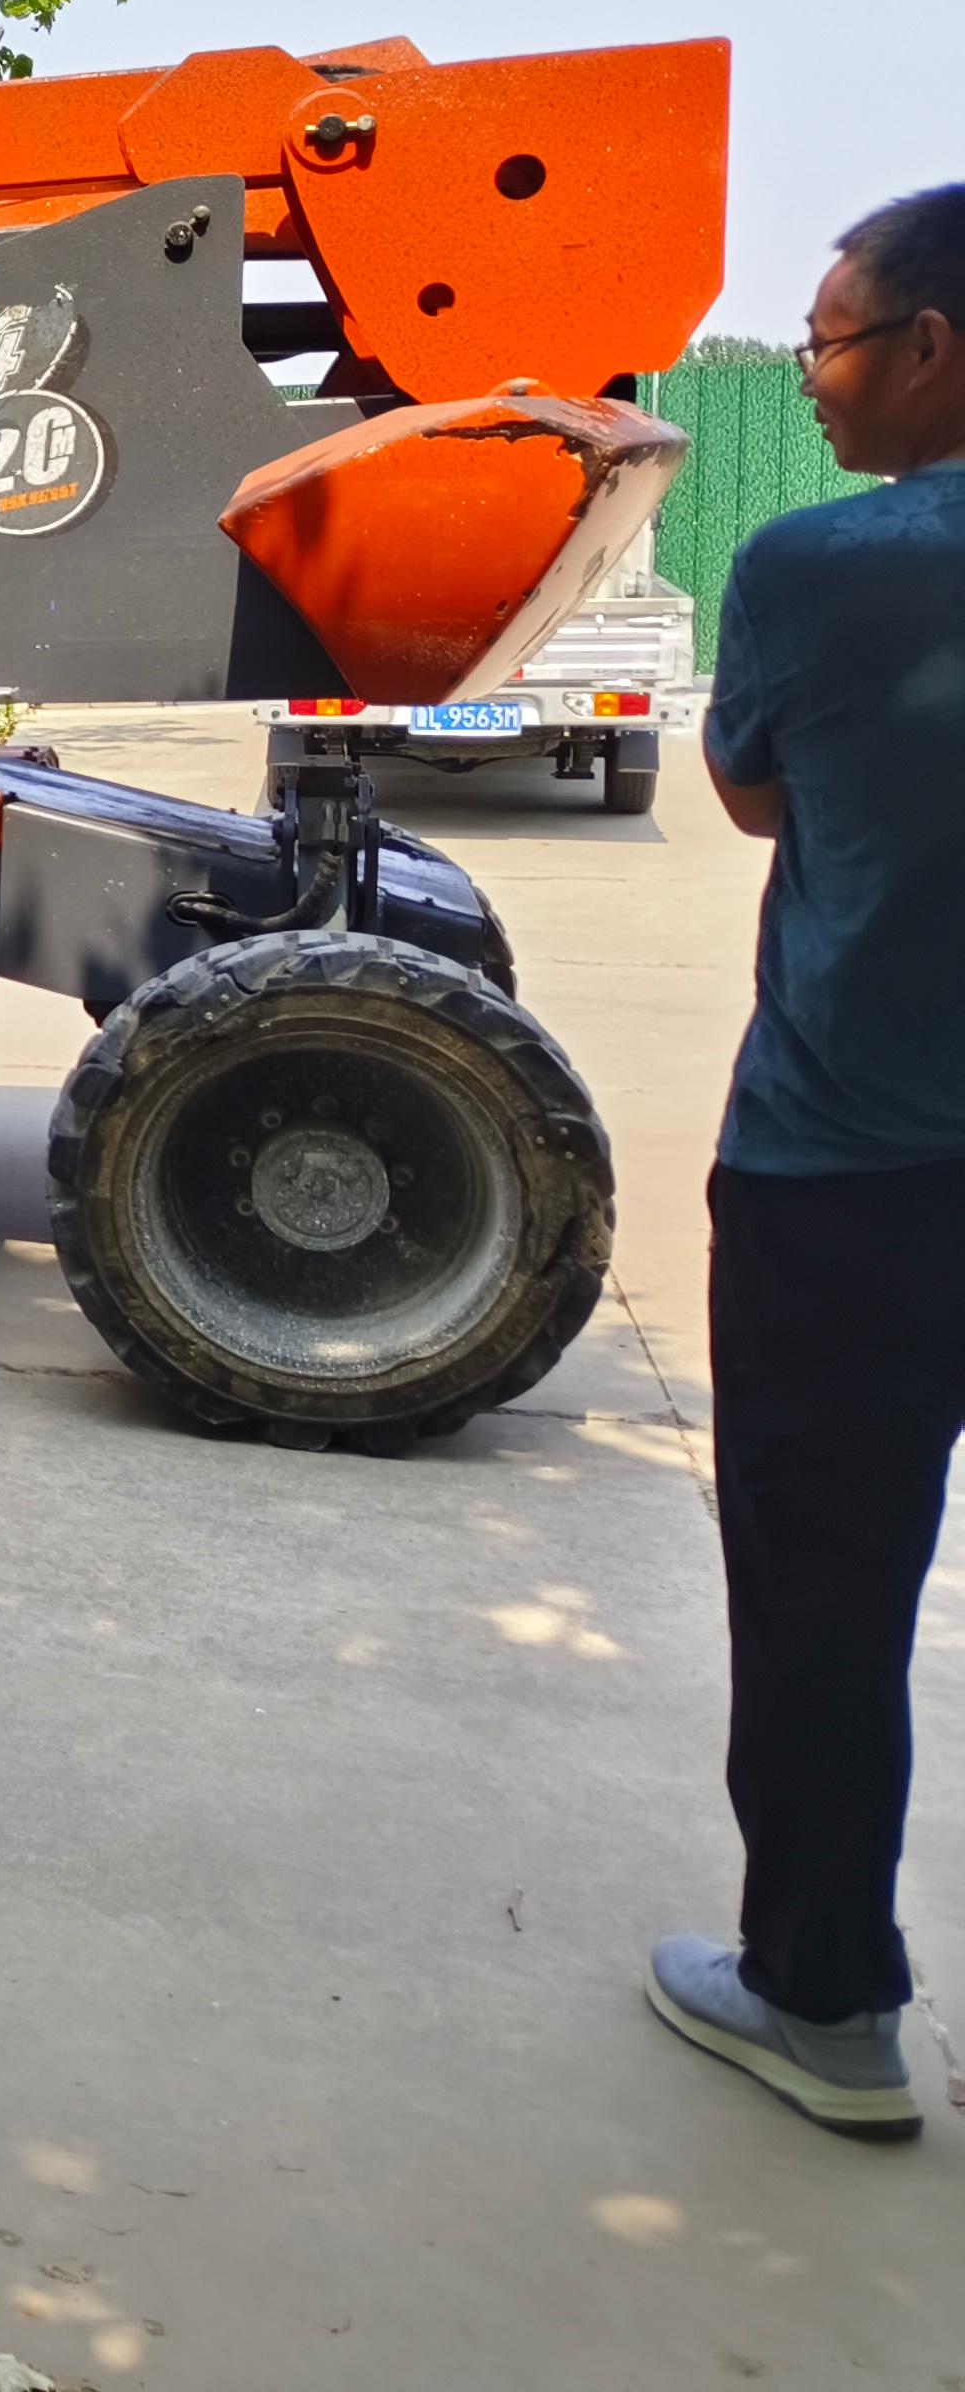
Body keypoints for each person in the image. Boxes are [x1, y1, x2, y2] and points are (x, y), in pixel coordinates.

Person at [646, 182, 965, 2140]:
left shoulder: (819, 566)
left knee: (825, 1593)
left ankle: (822, 2002)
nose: (811, 376)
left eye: (832, 341)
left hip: (847, 1182)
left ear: (930, 345)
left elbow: (752, 795)